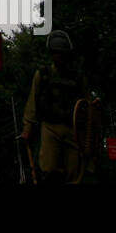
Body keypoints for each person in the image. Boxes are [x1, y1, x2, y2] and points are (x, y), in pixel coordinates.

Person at [20, 29, 90, 184]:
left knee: (74, 173)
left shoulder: (78, 77)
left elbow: (87, 107)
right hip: (49, 127)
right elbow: (32, 104)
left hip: (73, 130)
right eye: (56, 52)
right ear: (51, 53)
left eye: (62, 53)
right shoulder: (43, 75)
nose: (59, 56)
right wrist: (27, 129)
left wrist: (87, 137)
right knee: (48, 170)